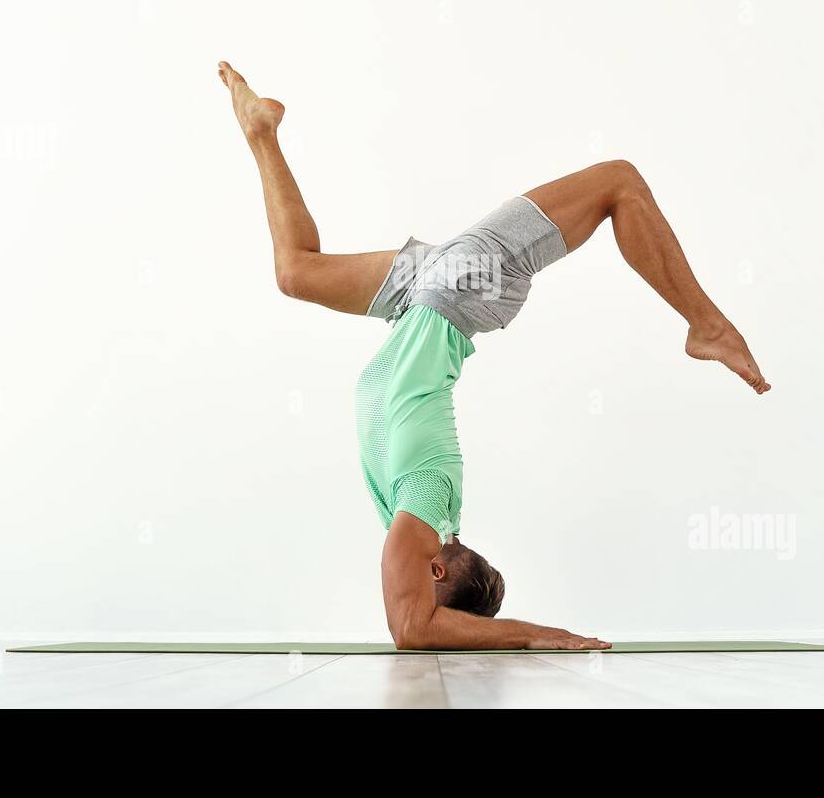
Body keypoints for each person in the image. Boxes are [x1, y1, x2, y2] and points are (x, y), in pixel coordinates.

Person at [219, 61, 770, 651]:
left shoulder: (399, 507)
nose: (401, 581)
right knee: (620, 181)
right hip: (459, 290)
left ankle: (261, 132)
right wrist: (537, 636)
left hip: (423, 299)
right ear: (436, 570)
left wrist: (489, 631)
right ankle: (707, 324)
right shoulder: (428, 498)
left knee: (295, 272)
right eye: (423, 580)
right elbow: (412, 629)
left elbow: (416, 627)